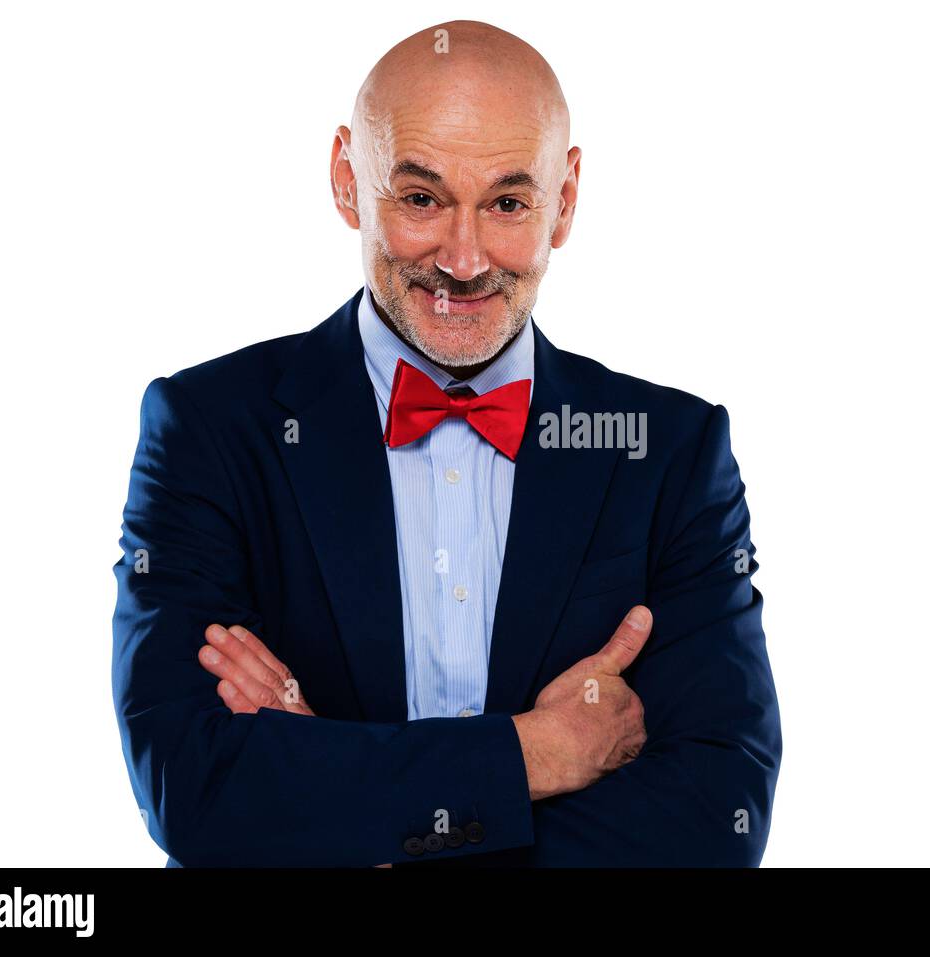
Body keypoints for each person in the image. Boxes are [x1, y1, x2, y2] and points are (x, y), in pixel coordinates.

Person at [111, 19, 781, 867]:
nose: (464, 261)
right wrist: (534, 755)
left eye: (508, 202)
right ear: (347, 180)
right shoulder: (206, 427)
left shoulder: (674, 452)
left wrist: (351, 808)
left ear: (565, 199)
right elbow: (193, 790)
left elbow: (715, 819)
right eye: (421, 199)